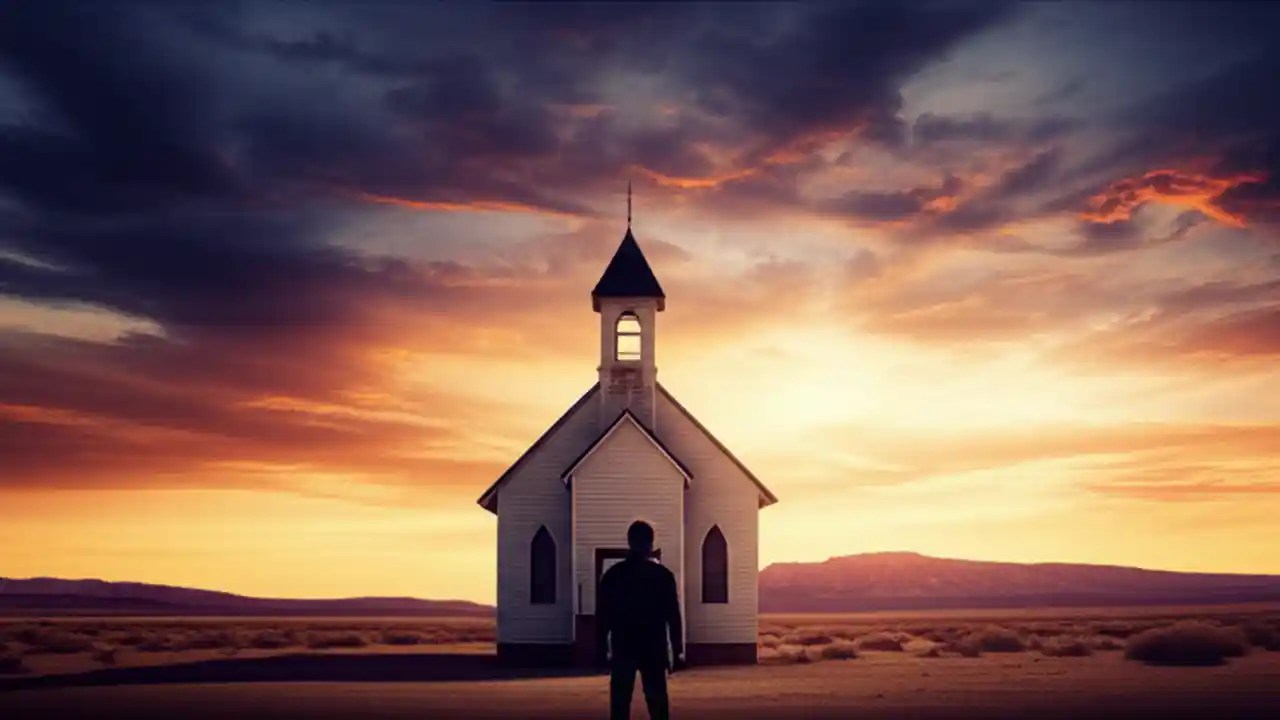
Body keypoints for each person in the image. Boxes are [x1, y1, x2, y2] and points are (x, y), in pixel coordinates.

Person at [597, 520, 685, 720]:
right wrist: (677, 651)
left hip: (624, 646)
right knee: (657, 704)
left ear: (629, 542)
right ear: (651, 544)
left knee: (620, 704)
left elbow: (603, 616)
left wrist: (600, 649)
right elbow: (673, 615)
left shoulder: (613, 576)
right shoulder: (662, 576)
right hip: (653, 647)